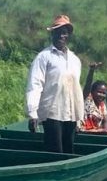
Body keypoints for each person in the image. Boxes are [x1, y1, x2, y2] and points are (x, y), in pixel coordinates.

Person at [26, 14, 87, 154]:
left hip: (71, 113)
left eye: (64, 33)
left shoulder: (74, 60)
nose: (61, 36)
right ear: (52, 34)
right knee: (55, 151)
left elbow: (76, 90)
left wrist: (79, 118)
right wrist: (32, 113)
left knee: (68, 150)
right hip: (52, 112)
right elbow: (35, 85)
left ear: (68, 36)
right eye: (58, 32)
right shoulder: (44, 57)